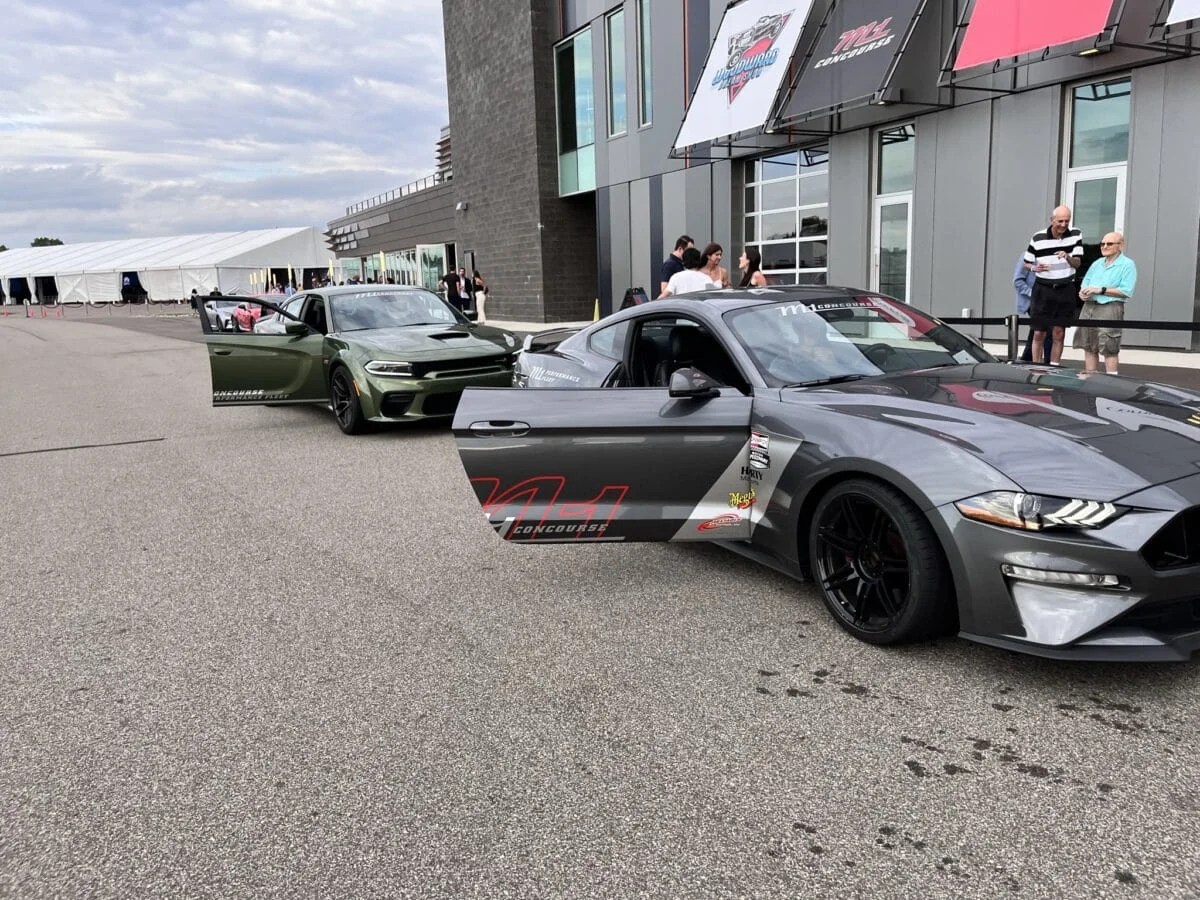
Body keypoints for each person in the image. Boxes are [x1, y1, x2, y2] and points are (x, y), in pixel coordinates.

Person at [1024, 205, 1084, 366]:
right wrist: (1035, 268)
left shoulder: (1076, 234)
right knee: (1039, 332)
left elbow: (1077, 263)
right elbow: (1027, 263)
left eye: (1067, 221)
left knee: (1059, 332)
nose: (1064, 224)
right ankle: (1036, 367)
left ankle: (1054, 366)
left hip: (1065, 288)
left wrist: (1068, 257)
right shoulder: (1038, 237)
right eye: (1060, 221)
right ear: (1052, 220)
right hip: (1043, 289)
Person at [1075, 231, 1137, 375]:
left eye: (1109, 243)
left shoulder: (1127, 265)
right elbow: (1085, 283)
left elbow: (1126, 291)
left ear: (1120, 245)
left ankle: (1112, 381)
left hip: (1110, 307)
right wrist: (1082, 293)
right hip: (1089, 306)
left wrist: (1101, 290)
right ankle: (1090, 380)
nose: (1105, 246)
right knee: (1088, 345)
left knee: (1109, 346)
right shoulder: (1097, 263)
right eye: (1103, 243)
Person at [1013, 254, 1051, 364]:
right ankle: (1047, 365)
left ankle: (1026, 360)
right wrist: (1034, 294)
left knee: (1037, 332)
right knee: (1047, 331)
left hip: (1051, 302)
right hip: (1033, 302)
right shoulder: (1028, 256)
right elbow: (1017, 281)